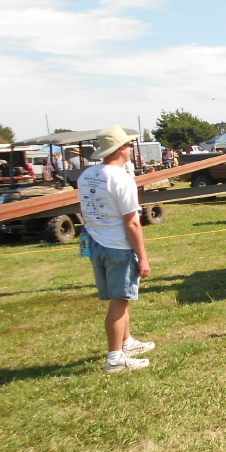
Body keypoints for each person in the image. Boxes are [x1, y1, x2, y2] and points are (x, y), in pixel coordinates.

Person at [77, 125, 154, 373]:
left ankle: (127, 342)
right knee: (119, 302)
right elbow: (132, 222)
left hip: (96, 243)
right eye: (129, 145)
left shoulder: (87, 175)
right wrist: (142, 258)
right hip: (117, 247)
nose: (131, 148)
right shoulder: (121, 179)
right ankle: (114, 358)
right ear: (121, 149)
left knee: (118, 298)